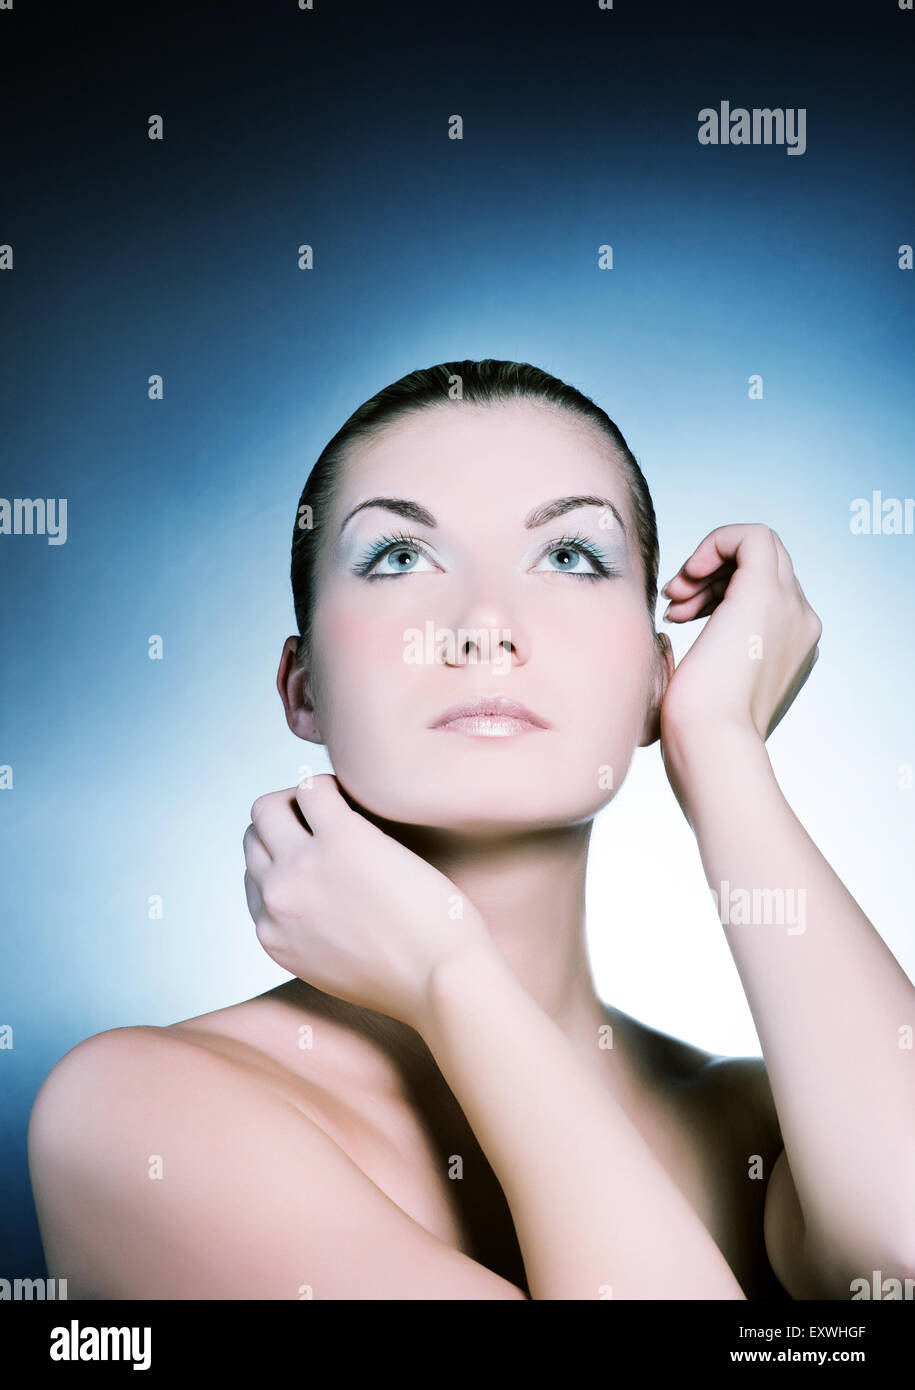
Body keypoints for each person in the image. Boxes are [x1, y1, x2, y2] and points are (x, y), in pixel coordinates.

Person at [28, 360, 915, 1300]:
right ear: (303, 687)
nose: (484, 624)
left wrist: (723, 745)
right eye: (400, 558)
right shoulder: (140, 1113)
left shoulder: (753, 1121)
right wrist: (451, 978)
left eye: (570, 556)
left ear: (659, 677)